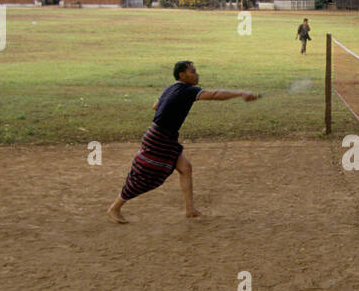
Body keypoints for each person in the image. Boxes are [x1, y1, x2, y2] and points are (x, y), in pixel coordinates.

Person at [108, 61, 259, 222]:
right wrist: (240, 93)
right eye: (192, 71)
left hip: (163, 137)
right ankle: (114, 208)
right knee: (146, 178)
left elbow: (155, 106)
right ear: (182, 75)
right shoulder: (188, 90)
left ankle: (190, 210)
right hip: (159, 139)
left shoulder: (171, 88)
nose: (197, 74)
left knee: (185, 168)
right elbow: (214, 95)